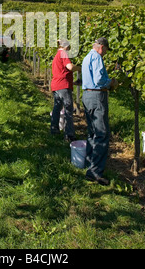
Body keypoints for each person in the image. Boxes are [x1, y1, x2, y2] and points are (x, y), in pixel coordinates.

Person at [81, 37, 118, 186]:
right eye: (107, 50)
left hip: (87, 96)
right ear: (101, 47)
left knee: (92, 132)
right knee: (102, 134)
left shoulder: (87, 57)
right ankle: (95, 172)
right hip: (97, 96)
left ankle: (89, 164)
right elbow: (99, 80)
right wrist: (111, 83)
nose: (106, 53)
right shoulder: (96, 57)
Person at [51, 39, 81, 142]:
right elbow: (70, 67)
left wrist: (72, 82)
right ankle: (69, 135)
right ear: (66, 46)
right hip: (63, 86)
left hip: (56, 85)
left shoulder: (56, 55)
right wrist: (79, 68)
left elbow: (61, 72)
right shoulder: (63, 53)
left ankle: (54, 130)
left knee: (57, 108)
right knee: (68, 110)